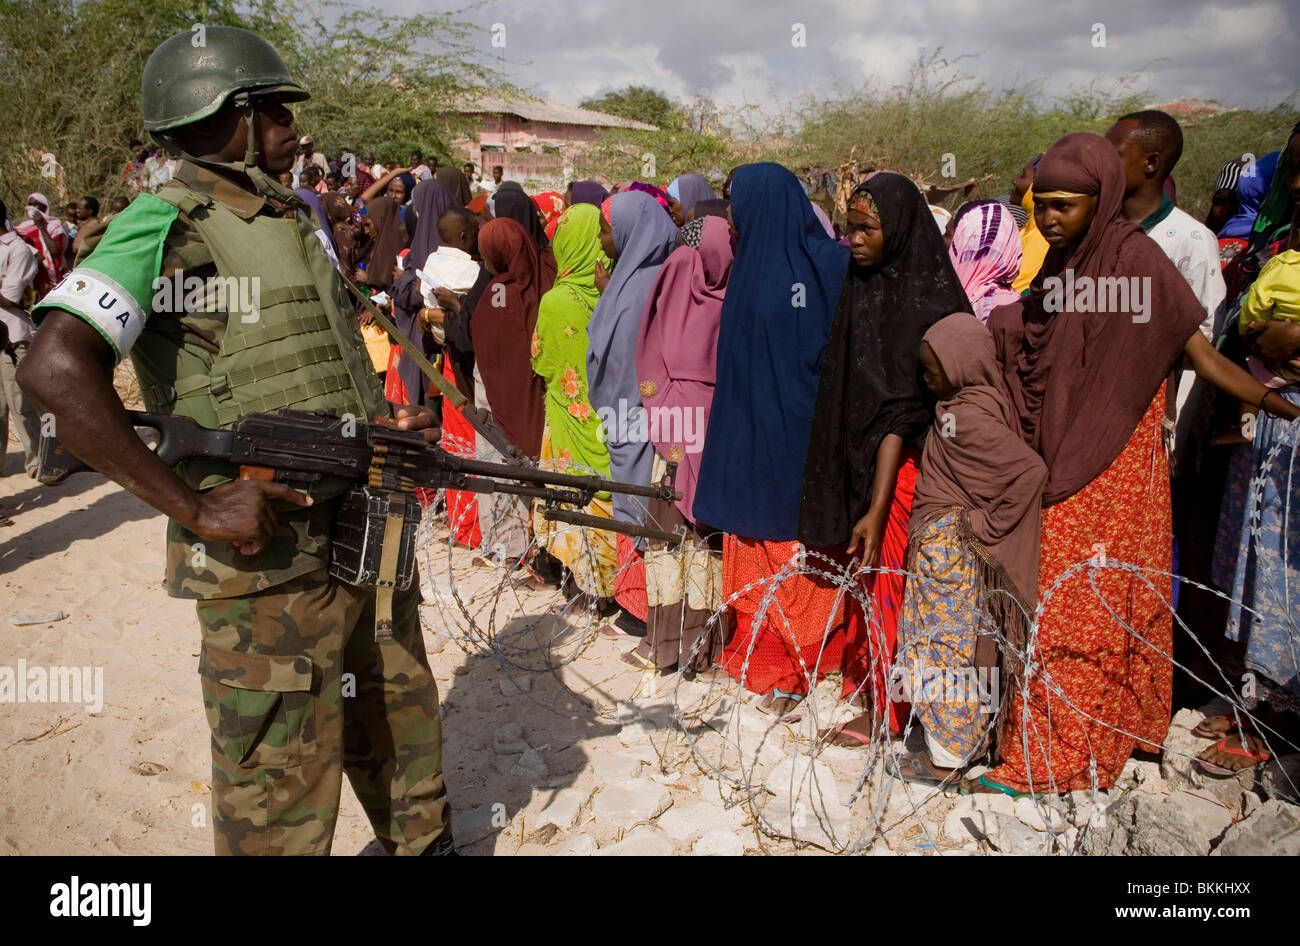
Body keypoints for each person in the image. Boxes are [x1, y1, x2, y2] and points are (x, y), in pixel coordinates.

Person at [20, 26, 453, 855]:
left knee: (401, 721)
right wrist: (194, 505)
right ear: (223, 117)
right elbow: (53, 370)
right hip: (269, 564)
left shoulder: (292, 215)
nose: (294, 125)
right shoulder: (161, 225)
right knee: (277, 789)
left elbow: (317, 355)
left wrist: (380, 420)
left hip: (367, 527)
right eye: (273, 108)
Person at [973, 132, 1299, 796]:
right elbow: (1031, 336)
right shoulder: (1064, 268)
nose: (1050, 219)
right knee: (1072, 601)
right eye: (1042, 206)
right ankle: (1088, 733)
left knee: (1078, 608)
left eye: (1065, 205)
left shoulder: (1139, 264)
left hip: (1114, 468)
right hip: (1057, 458)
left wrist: (1272, 401)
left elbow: (1202, 357)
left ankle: (1060, 755)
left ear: (1102, 198)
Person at [801, 173, 974, 738]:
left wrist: (876, 506)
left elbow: (901, 413)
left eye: (867, 229)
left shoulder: (927, 299)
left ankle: (888, 711)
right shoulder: (864, 285)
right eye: (850, 228)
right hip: (867, 464)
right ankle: (868, 681)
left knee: (890, 583)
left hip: (905, 473)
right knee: (870, 580)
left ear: (897, 230)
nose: (854, 240)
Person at [693, 163, 850, 714]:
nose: (731, 218)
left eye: (736, 204)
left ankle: (802, 662)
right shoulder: (748, 265)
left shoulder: (832, 267)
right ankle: (762, 651)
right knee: (756, 545)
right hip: (749, 433)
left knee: (795, 549)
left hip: (802, 439)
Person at [891, 313, 1047, 783]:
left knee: (945, 652)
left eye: (932, 371)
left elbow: (1030, 472)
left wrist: (980, 524)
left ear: (960, 366)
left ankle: (946, 757)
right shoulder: (967, 403)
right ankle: (954, 747)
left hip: (952, 557)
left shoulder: (965, 415)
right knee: (947, 648)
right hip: (946, 554)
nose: (925, 380)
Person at [1207, 122, 1300, 775]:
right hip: (1272, 424)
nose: (1296, 186)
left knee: (1288, 562)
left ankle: (1281, 717)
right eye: (1291, 171)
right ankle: (1259, 698)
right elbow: (1249, 330)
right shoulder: (1279, 243)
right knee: (1261, 558)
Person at [624, 215, 734, 674]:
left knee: (669, 539)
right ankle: (701, 649)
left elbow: (649, 357)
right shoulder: (734, 299)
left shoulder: (675, 276)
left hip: (673, 426)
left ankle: (663, 644)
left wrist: (661, 413)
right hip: (715, 432)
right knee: (704, 543)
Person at [586, 190, 678, 637]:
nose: (603, 240)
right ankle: (639, 610)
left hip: (638, 420)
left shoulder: (641, 287)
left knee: (640, 508)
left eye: (606, 230)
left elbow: (621, 363)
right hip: (637, 419)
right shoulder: (648, 277)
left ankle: (643, 614)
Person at [530, 203, 619, 600]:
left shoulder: (554, 302)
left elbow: (541, 361)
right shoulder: (617, 291)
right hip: (613, 418)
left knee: (574, 498)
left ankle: (589, 589)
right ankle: (623, 586)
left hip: (569, 419)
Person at [470, 217, 552, 566]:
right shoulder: (548, 275)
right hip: (542, 396)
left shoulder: (495, 294)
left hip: (498, 398)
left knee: (499, 461)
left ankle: (510, 547)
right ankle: (546, 546)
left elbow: (485, 345)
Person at [0, 198, 41, 476]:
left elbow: (8, 296)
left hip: (13, 337)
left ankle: (39, 462)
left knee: (21, 405)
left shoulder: (18, 249)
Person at [947, 199, 1022, 323]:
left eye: (947, 235)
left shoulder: (997, 311)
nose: (939, 240)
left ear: (967, 244)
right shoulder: (1009, 304)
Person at [1009, 155, 1049, 294]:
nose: (1014, 180)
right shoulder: (1030, 227)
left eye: (1022, 176)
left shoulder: (1042, 234)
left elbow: (1017, 287)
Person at [15, 193, 67, 296]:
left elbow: (55, 251)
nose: (32, 208)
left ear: (45, 207)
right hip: (31, 275)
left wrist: (42, 227)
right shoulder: (22, 227)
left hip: (49, 275)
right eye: (30, 204)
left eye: (36, 205)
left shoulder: (54, 226)